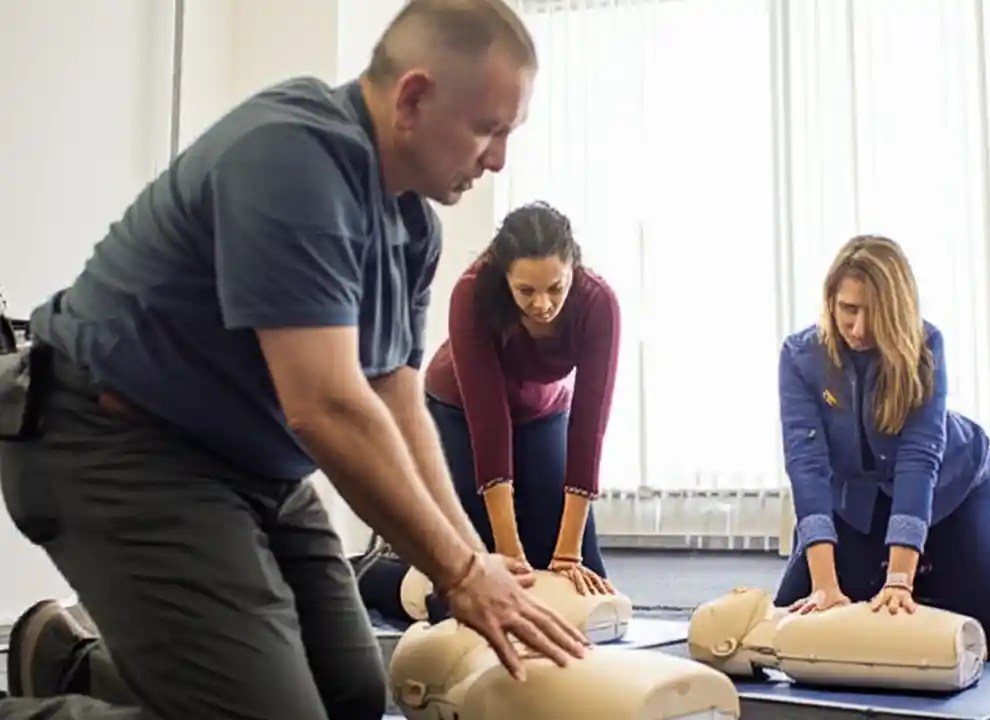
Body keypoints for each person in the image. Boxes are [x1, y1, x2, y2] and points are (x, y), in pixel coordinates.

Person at [0, 2, 590, 719]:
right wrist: (459, 574)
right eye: (487, 130)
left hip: (256, 470)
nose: (497, 158)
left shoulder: (412, 229)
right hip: (113, 442)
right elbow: (327, 406)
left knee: (350, 697)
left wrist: (475, 562)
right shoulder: (293, 156)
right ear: (413, 98)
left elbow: (397, 404)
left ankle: (74, 668)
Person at [358, 201, 622, 626]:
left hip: (541, 413)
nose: (543, 304)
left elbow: (589, 428)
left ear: (574, 268)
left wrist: (569, 553)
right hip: (459, 413)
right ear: (504, 279)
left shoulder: (598, 303)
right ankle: (370, 576)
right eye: (526, 291)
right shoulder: (473, 292)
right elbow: (490, 427)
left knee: (585, 587)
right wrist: (508, 557)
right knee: (469, 588)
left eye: (556, 287)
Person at [773, 235, 990, 661]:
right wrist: (825, 585)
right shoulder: (800, 356)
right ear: (830, 302)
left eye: (873, 315)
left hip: (948, 489)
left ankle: (922, 573)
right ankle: (910, 578)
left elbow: (919, 459)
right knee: (793, 617)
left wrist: (899, 579)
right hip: (856, 498)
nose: (858, 329)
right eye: (848, 310)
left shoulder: (926, 345)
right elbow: (807, 465)